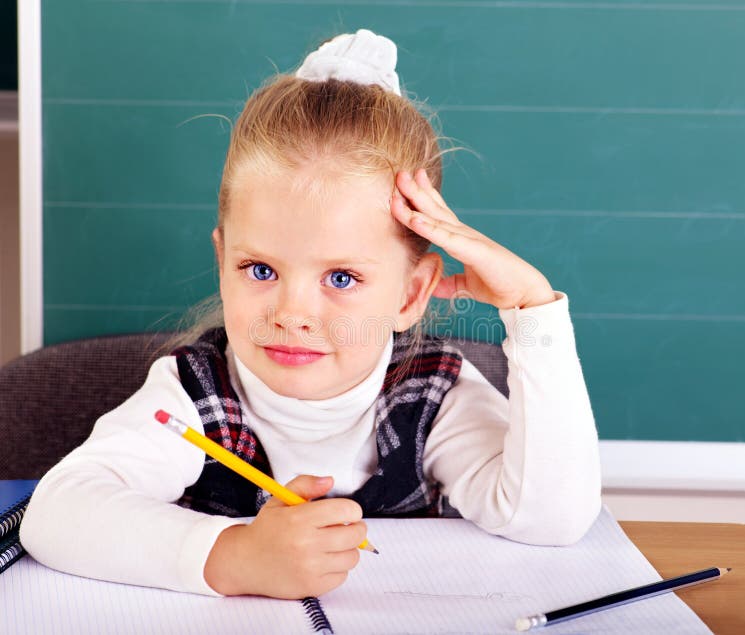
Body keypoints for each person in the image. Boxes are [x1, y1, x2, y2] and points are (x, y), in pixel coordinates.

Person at [20, 28, 601, 600]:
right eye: (261, 270)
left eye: (341, 278)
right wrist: (235, 558)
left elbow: (549, 519)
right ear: (223, 262)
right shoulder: (191, 395)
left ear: (408, 294)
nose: (293, 314)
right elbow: (56, 512)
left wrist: (534, 312)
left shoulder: (433, 394)